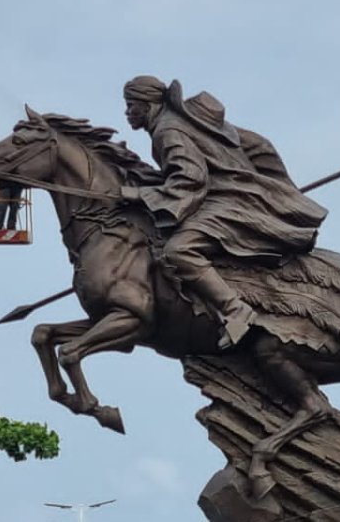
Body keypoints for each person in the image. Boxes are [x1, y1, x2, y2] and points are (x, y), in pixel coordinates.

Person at [119, 75, 328, 347]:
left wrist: (142, 195)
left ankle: (235, 311)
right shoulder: (177, 124)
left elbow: (191, 178)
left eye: (130, 105)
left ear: (147, 104)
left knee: (178, 251)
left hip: (230, 201)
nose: (127, 113)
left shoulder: (168, 132)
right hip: (229, 196)